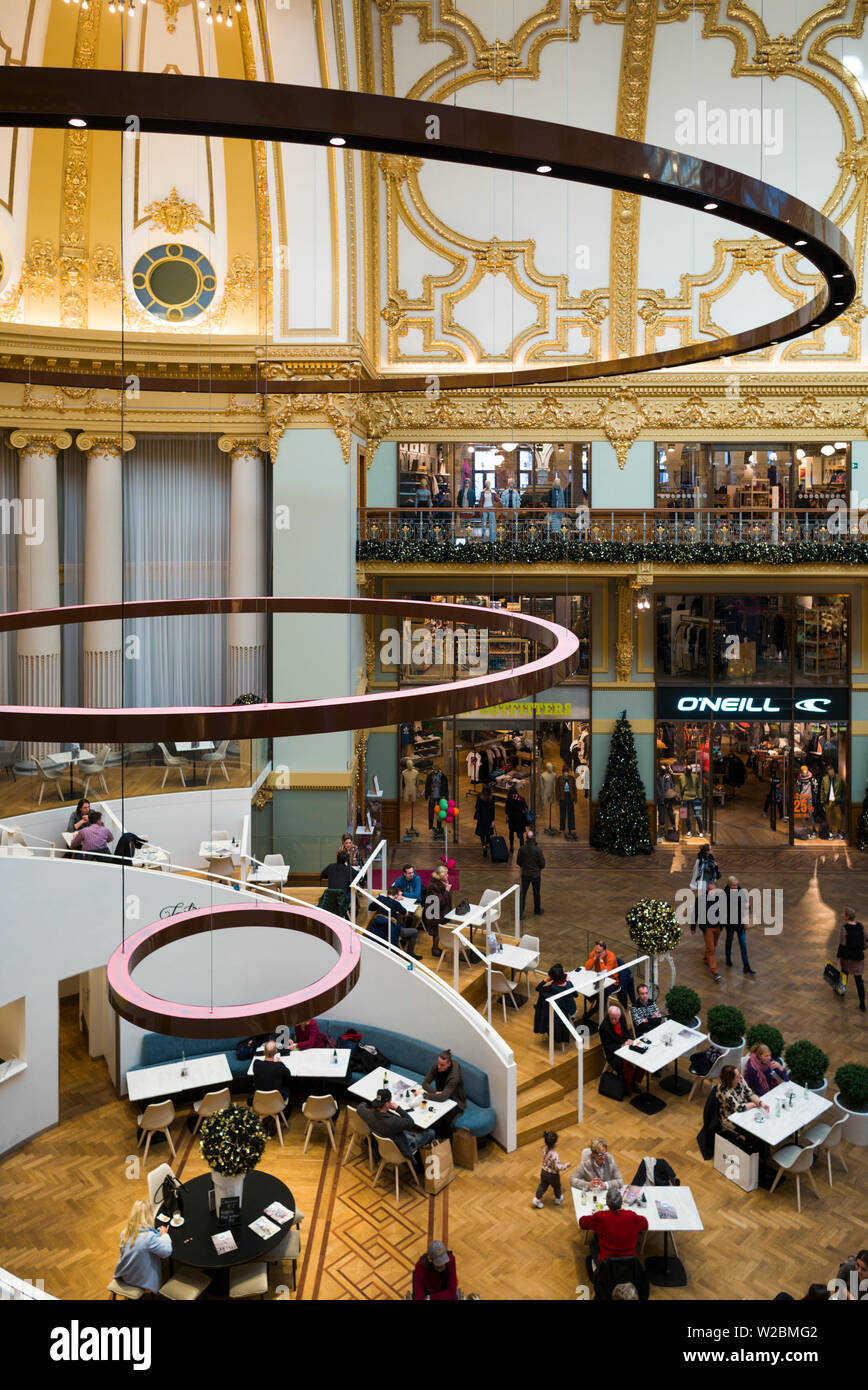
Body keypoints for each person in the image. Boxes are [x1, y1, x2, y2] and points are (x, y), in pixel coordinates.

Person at [358, 1087, 435, 1167]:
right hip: (400, 1149)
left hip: (384, 1146)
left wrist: (373, 1104)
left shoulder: (368, 1114)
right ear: (387, 1104)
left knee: (407, 1132)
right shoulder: (392, 1121)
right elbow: (410, 1122)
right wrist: (398, 1109)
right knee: (431, 1132)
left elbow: (360, 1107)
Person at [112, 1199, 172, 1295]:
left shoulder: (124, 1233)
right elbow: (166, 1251)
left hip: (126, 1274)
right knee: (163, 1261)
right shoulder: (148, 1238)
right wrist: (164, 1235)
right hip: (140, 1280)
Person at [578, 1188, 648, 1267]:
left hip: (606, 1264)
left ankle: (595, 1267)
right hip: (629, 1262)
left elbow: (582, 1223)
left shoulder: (600, 1217)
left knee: (593, 1243)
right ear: (621, 1202)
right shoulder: (632, 1216)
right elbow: (645, 1225)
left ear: (607, 1203)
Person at [422, 1048, 465, 1137]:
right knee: (427, 1114)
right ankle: (429, 1141)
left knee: (441, 1122)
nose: (439, 1067)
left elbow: (443, 1097)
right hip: (441, 1096)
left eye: (442, 1065)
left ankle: (442, 1145)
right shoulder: (437, 1066)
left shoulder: (454, 1076)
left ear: (448, 1064)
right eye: (438, 1063)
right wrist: (435, 1092)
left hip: (454, 1101)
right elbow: (425, 1083)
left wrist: (425, 1095)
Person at [717, 1064, 769, 1134]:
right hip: (730, 1116)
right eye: (737, 1077)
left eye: (739, 1075)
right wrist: (753, 1104)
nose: (740, 1078)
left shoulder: (739, 1078)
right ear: (730, 1080)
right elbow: (738, 1108)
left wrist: (760, 1103)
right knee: (751, 1131)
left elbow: (750, 1093)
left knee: (759, 1125)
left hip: (744, 1108)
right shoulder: (723, 1090)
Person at [598, 1001, 639, 1091]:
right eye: (612, 1018)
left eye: (616, 1018)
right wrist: (621, 1045)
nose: (614, 1021)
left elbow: (625, 1033)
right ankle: (629, 1084)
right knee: (626, 1063)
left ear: (619, 1016)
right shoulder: (604, 1027)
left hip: (624, 1046)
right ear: (608, 1016)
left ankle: (633, 1080)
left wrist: (628, 1039)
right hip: (613, 1053)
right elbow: (607, 1046)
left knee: (639, 1057)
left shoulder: (622, 1018)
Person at [533, 963, 576, 1044]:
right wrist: (568, 980)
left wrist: (545, 980)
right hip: (571, 1010)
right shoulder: (569, 984)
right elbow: (576, 995)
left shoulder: (552, 988)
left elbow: (538, 988)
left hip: (560, 1013)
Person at [723, 875, 756, 975]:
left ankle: (746, 965)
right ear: (729, 885)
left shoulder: (740, 891)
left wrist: (747, 906)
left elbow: (745, 905)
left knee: (743, 944)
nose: (735, 887)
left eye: (736, 885)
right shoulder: (725, 894)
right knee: (729, 940)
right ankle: (728, 957)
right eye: (733, 886)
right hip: (730, 924)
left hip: (740, 923)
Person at [836, 906, 866, 1011]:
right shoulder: (860, 926)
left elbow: (842, 945)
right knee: (859, 981)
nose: (841, 914)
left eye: (843, 913)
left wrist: (837, 958)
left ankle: (841, 991)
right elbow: (865, 938)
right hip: (858, 959)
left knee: (844, 973)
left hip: (847, 958)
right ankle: (862, 1003)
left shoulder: (844, 928)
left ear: (847, 917)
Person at [533, 1129, 570, 1208]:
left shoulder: (544, 1149)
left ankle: (537, 1199)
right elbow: (557, 1167)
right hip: (553, 1175)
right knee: (557, 1186)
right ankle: (558, 1199)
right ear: (555, 1144)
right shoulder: (555, 1155)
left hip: (544, 1172)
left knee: (543, 1185)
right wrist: (566, 1165)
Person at [252, 1038, 294, 1107]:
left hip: (260, 1100)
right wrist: (278, 1063)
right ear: (276, 1051)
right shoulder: (279, 1065)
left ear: (264, 1051)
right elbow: (288, 1075)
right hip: (277, 1101)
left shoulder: (256, 1063)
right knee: (287, 1087)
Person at [422, 863, 452, 958]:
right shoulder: (434, 886)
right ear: (441, 876)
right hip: (434, 913)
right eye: (446, 874)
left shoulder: (437, 883)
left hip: (436, 911)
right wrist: (447, 890)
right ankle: (435, 950)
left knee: (437, 932)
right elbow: (440, 902)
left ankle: (435, 948)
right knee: (436, 932)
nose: (448, 876)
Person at [516, 829, 545, 915]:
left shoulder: (522, 849)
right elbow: (542, 864)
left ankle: (520, 913)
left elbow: (518, 862)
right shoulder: (538, 850)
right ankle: (537, 910)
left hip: (525, 874)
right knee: (536, 893)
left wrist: (524, 866)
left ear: (526, 838)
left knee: (523, 894)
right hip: (536, 875)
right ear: (534, 838)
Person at [318, 849, 352, 917]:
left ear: (337, 858)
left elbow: (322, 875)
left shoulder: (330, 866)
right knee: (355, 896)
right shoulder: (349, 869)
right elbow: (360, 877)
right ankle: (352, 916)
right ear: (346, 860)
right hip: (341, 899)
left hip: (329, 900)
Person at [474, 784, 496, 858]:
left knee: (482, 833)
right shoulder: (492, 798)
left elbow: (476, 807)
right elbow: (493, 810)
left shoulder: (479, 797)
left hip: (481, 818)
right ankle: (487, 844)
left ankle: (484, 847)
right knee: (488, 833)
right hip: (489, 819)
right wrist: (493, 820)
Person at [505, 787, 529, 853]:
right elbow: (526, 808)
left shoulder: (509, 799)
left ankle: (511, 847)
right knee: (521, 835)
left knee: (511, 833)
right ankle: (521, 848)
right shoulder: (521, 798)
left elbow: (506, 811)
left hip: (512, 818)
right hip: (520, 818)